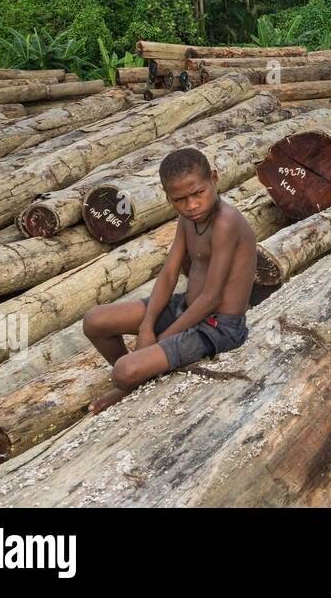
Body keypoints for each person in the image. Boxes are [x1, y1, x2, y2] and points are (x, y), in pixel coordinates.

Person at [81, 147, 257, 413]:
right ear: (168, 197)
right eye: (180, 199)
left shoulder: (226, 222)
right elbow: (169, 273)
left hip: (217, 326)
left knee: (123, 372)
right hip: (184, 308)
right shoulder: (188, 219)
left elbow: (212, 297)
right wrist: (146, 328)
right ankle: (139, 376)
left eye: (198, 193)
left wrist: (161, 338)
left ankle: (131, 382)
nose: (191, 205)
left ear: (214, 179)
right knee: (95, 320)